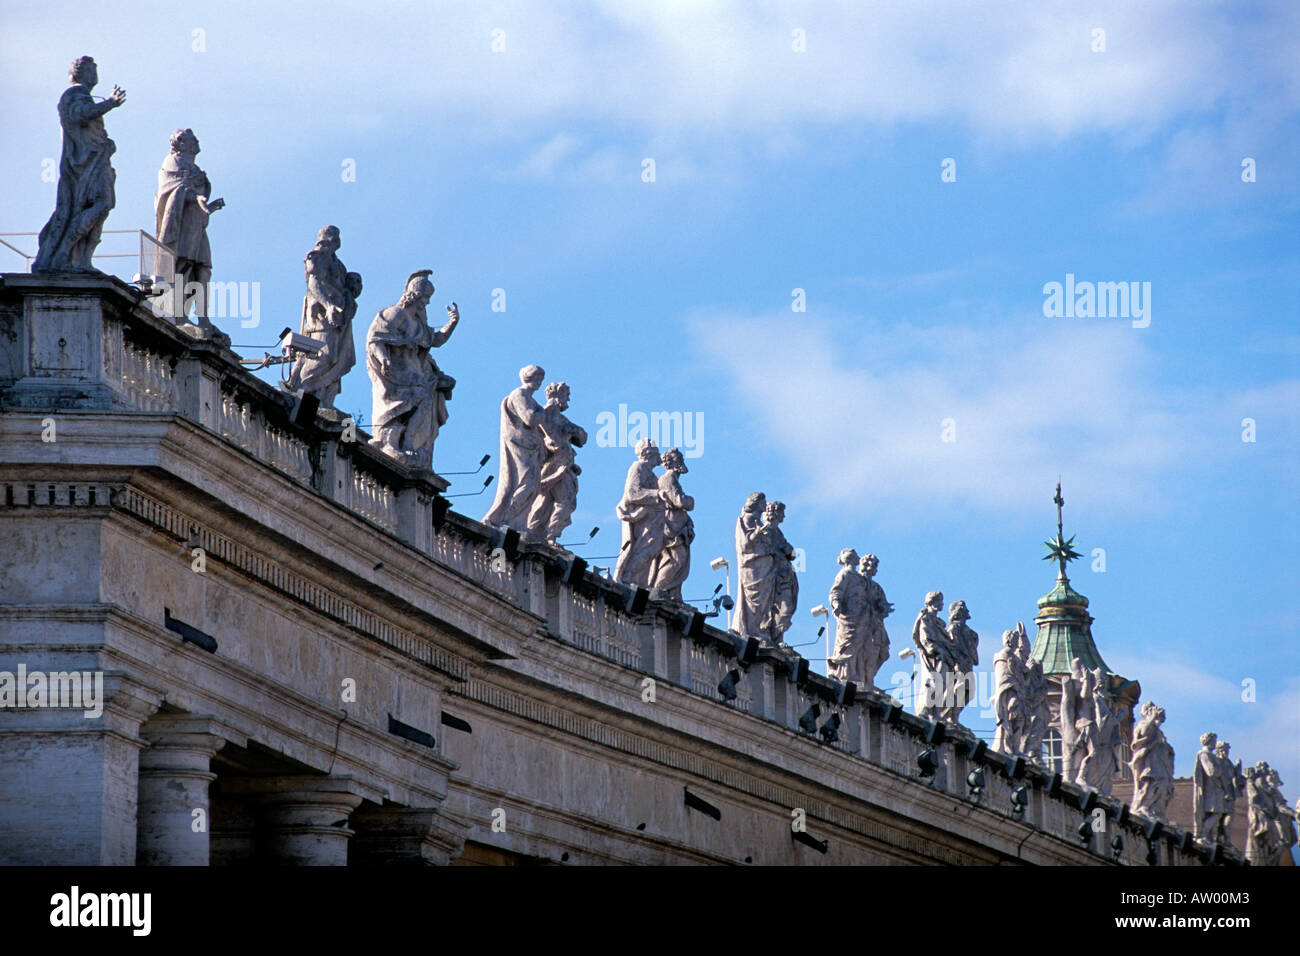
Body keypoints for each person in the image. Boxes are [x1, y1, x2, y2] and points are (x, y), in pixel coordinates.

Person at [33, 56, 125, 273]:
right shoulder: (74, 95)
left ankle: (81, 259)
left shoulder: (83, 96)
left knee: (103, 205)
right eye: (92, 70)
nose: (95, 75)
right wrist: (110, 103)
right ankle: (65, 252)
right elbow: (80, 115)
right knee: (101, 204)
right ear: (80, 72)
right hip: (83, 165)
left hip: (96, 160)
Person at [366, 270, 458, 470]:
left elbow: (436, 340)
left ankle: (408, 442)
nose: (427, 303)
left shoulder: (418, 323)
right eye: (425, 297)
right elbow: (376, 339)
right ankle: (391, 441)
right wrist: (383, 360)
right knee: (418, 396)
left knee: (426, 397)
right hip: (395, 373)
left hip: (413, 373)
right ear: (415, 294)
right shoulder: (394, 314)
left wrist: (451, 323)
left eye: (429, 298)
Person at [285, 225, 361, 407]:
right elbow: (314, 282)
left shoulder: (338, 264)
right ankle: (300, 393)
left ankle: (321, 400)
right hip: (322, 317)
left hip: (339, 322)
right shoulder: (318, 256)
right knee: (323, 356)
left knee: (335, 359)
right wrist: (329, 306)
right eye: (337, 237)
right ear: (331, 239)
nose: (339, 240)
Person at [154, 128, 224, 324]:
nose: (197, 141)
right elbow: (171, 188)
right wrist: (195, 196)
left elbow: (191, 191)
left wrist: (208, 206)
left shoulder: (194, 168)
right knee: (184, 264)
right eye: (193, 139)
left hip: (197, 223)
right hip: (181, 225)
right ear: (181, 143)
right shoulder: (173, 162)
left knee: (203, 268)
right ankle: (179, 315)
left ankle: (203, 318)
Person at [483, 365, 547, 531]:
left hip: (530, 448)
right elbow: (530, 418)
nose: (540, 383)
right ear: (529, 378)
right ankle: (507, 518)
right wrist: (546, 411)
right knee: (524, 482)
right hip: (520, 447)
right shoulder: (519, 394)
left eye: (541, 379)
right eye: (538, 378)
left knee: (532, 484)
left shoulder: (531, 399)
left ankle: (516, 522)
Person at [527, 382, 586, 546]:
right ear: (558, 396)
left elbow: (583, 437)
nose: (568, 400)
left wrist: (573, 431)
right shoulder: (543, 414)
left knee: (550, 502)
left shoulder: (562, 418)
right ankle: (543, 534)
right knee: (560, 502)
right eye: (567, 396)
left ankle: (544, 535)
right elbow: (542, 440)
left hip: (564, 466)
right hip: (552, 465)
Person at [613, 439, 665, 586]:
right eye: (656, 453)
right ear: (649, 453)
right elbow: (632, 493)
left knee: (651, 550)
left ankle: (637, 581)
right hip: (641, 519)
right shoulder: (638, 467)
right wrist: (658, 494)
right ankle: (628, 578)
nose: (659, 457)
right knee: (644, 549)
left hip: (650, 521)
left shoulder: (651, 474)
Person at [647, 447, 694, 600]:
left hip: (678, 524)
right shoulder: (668, 479)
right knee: (674, 559)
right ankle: (658, 590)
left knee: (680, 560)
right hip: (671, 525)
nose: (682, 462)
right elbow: (679, 500)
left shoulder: (673, 479)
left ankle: (673, 593)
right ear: (672, 462)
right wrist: (690, 501)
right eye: (679, 460)